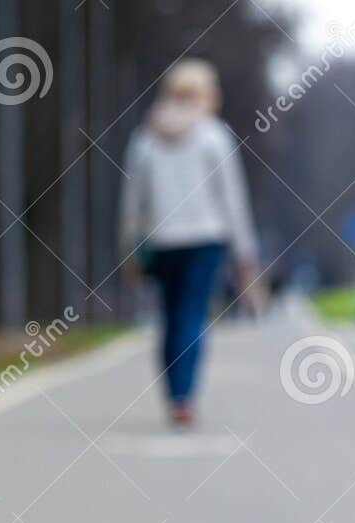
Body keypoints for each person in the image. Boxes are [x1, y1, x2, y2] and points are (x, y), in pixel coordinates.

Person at [119, 58, 259, 426]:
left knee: (170, 316)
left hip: (161, 241)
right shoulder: (214, 134)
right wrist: (245, 251)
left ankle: (174, 393)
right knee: (193, 315)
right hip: (205, 240)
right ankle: (184, 397)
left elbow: (133, 199)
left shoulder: (145, 137)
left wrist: (129, 247)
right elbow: (232, 198)